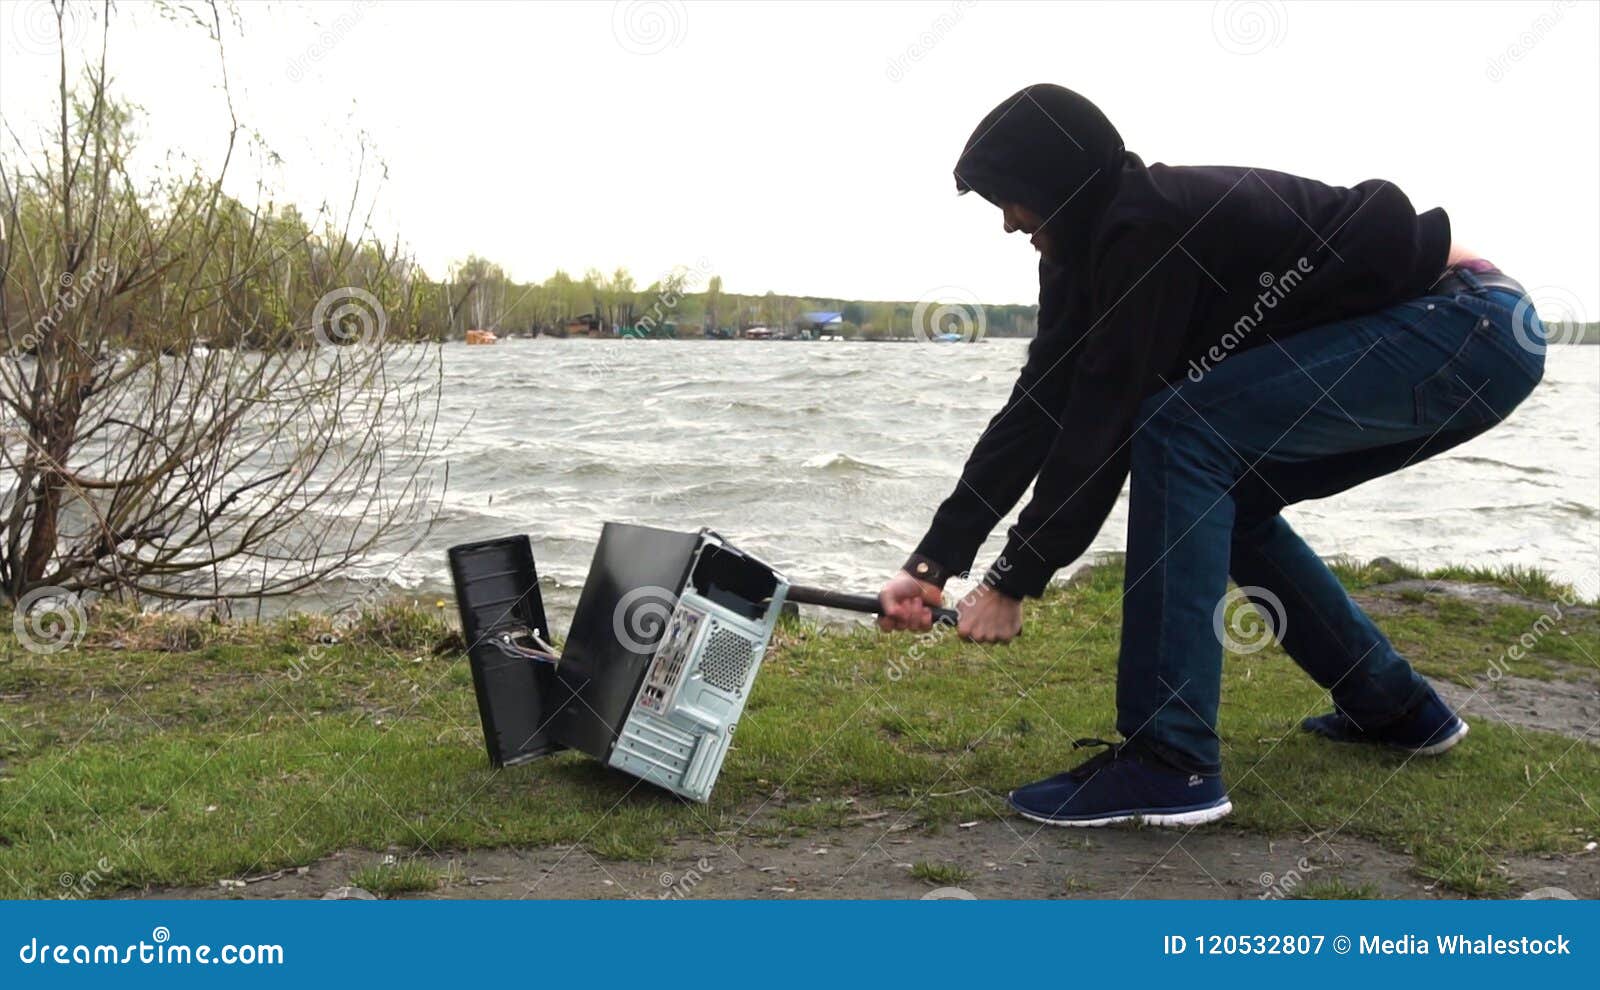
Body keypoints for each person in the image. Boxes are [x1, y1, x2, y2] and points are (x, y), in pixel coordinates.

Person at [876, 84, 1547, 827]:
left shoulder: (1146, 225)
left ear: (1056, 187)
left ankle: (1171, 760)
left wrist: (1014, 578)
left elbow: (1109, 418)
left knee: (1177, 429)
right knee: (1234, 494)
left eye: (1013, 200)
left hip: (1465, 324)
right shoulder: (1086, 249)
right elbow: (1040, 408)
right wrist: (934, 564)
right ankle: (1395, 709)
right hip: (1465, 336)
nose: (1008, 224)